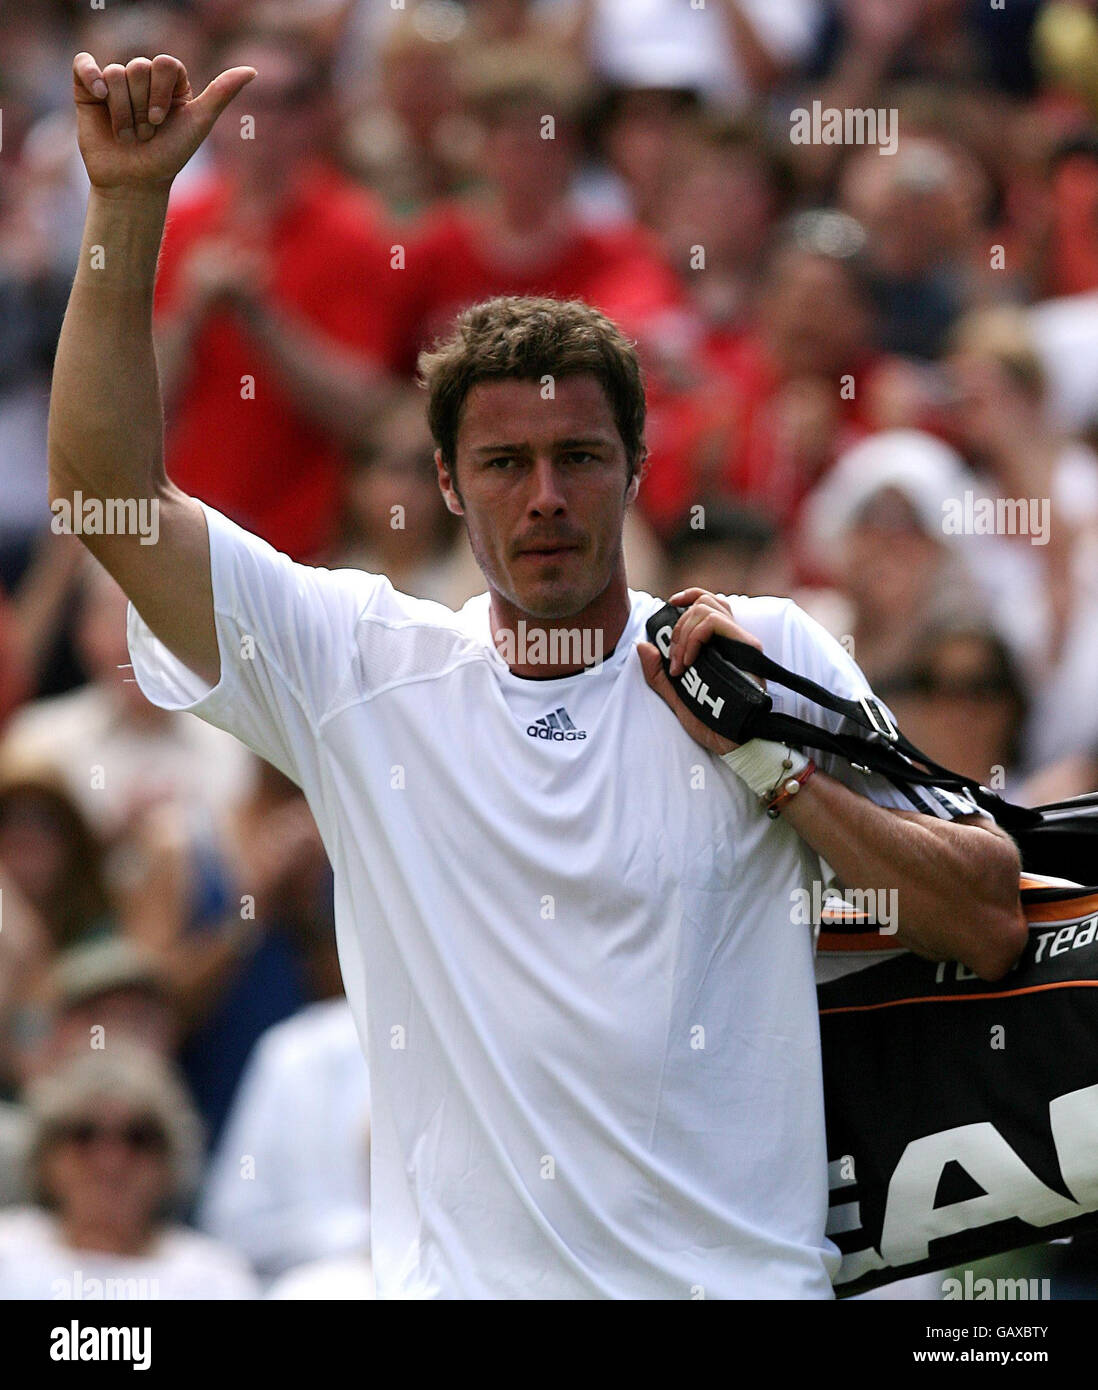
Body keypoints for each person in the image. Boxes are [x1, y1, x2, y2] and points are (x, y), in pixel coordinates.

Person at [51, 50, 1026, 1299]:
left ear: (636, 467)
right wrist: (126, 207)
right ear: (448, 484)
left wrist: (776, 767)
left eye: (581, 456)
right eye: (506, 464)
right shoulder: (358, 662)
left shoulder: (760, 653)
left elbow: (985, 915)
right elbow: (108, 496)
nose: (548, 496)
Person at [0, 1045, 258, 1299]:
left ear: (169, 1160)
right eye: (84, 1135)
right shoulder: (7, 1256)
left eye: (138, 1138)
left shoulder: (216, 1279)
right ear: (45, 1154)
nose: (110, 1162)